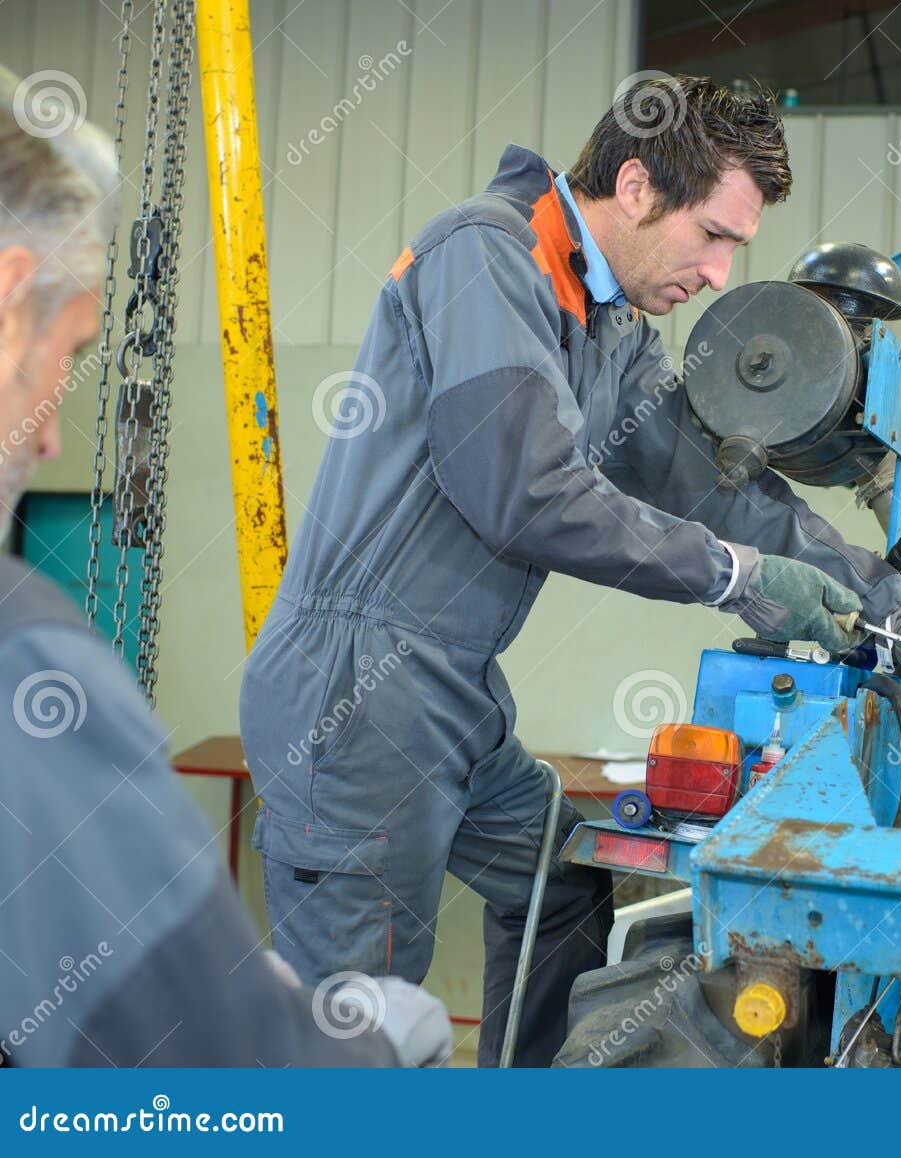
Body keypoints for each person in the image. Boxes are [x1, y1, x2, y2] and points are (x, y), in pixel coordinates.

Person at [239, 75, 901, 1067]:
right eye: (714, 236)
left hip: (458, 692)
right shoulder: (485, 258)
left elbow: (715, 491)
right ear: (639, 186)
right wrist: (739, 578)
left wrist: (889, 603)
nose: (724, 276)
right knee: (364, 1025)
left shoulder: (613, 332)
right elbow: (523, 491)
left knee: (556, 875)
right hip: (358, 689)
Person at [0, 67, 449, 1067]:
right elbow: (229, 1083)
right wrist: (376, 1039)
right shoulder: (25, 663)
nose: (47, 439)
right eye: (68, 354)